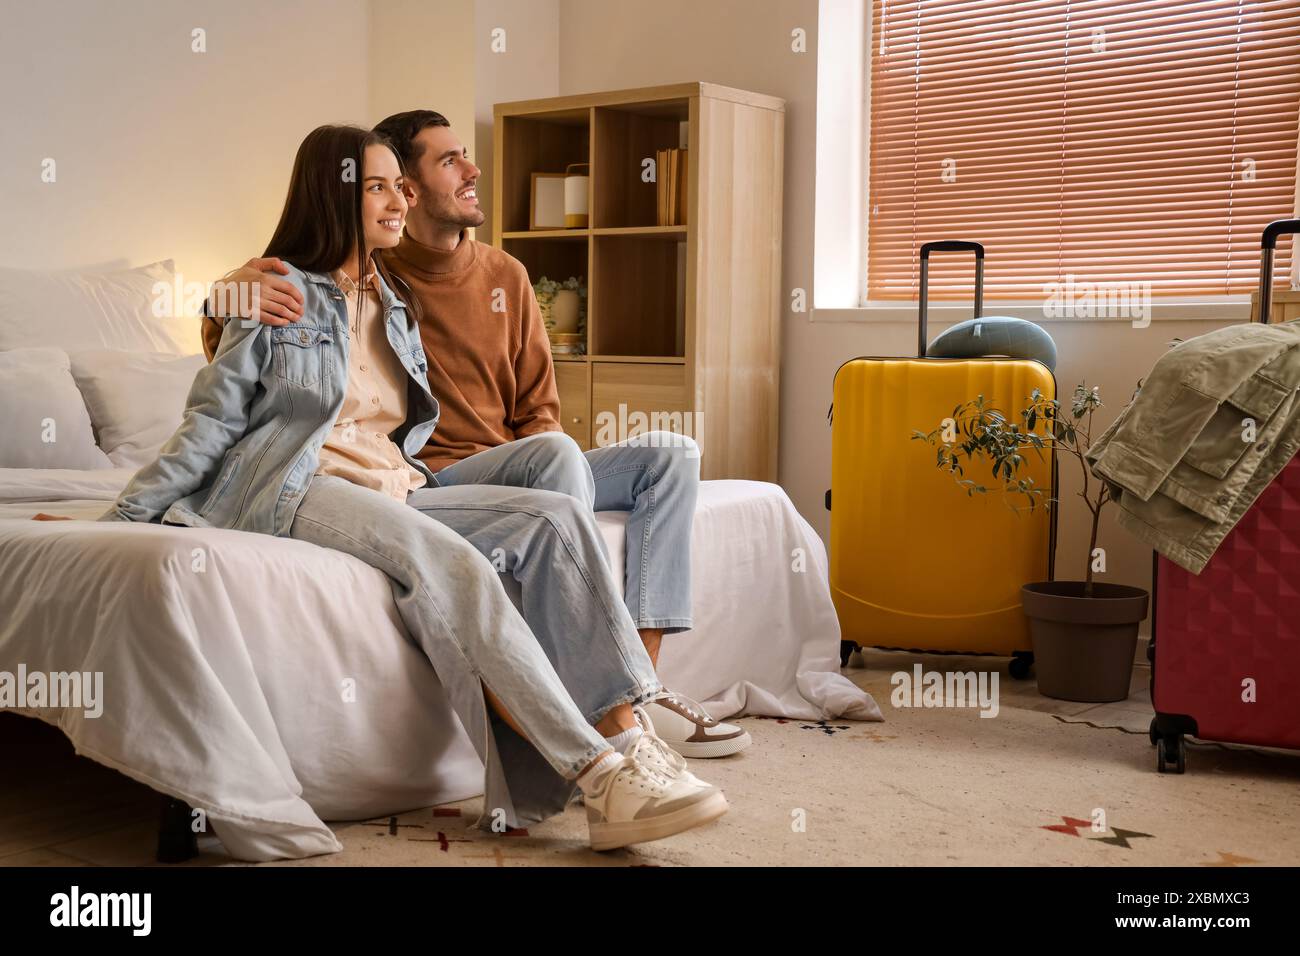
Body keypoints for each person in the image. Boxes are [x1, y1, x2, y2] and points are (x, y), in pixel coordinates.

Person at [99, 124, 728, 850]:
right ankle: (599, 774)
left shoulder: (393, 305)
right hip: (299, 485)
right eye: (376, 186)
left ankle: (624, 729)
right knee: (454, 562)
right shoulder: (274, 294)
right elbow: (210, 422)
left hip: (396, 483)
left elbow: (402, 430)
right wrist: (126, 511)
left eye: (399, 184)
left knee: (553, 516)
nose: (397, 200)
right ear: (332, 195)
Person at [208, 110, 750, 759]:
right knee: (551, 469)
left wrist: (528, 468)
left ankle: (637, 685)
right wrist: (217, 297)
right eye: (448, 161)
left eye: (466, 156)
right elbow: (255, 335)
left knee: (666, 453)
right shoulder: (373, 269)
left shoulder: (505, 275)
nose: (474, 170)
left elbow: (540, 411)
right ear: (403, 188)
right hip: (431, 471)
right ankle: (593, 693)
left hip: (512, 462)